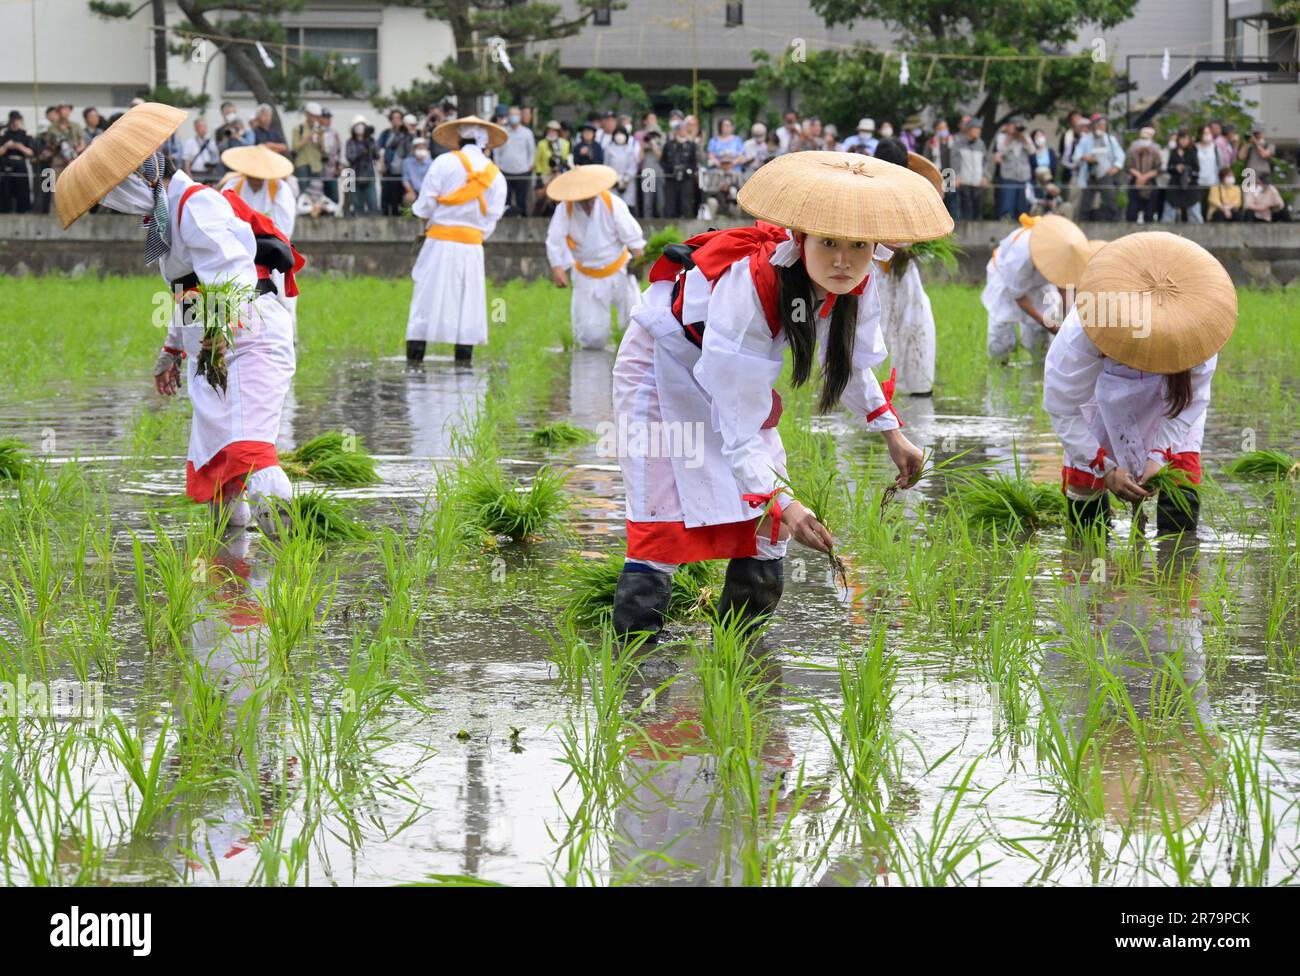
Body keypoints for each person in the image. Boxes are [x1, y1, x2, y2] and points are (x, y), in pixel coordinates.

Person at [609, 151, 947, 643]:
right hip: (662, 370)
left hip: (729, 377)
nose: (841, 259)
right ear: (800, 238)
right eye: (828, 242)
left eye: (857, 245)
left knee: (769, 532)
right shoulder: (752, 286)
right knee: (664, 518)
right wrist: (785, 502)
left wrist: (892, 435)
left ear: (875, 247)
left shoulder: (854, 281)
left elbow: (847, 361)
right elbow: (736, 415)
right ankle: (636, 672)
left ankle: (735, 656)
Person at [56, 102, 302, 535]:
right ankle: (233, 582)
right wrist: (171, 351)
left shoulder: (196, 203)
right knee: (220, 466)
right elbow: (188, 291)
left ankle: (293, 567)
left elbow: (233, 273)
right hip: (214, 347)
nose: (116, 205)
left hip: (248, 342)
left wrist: (218, 334)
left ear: (141, 178)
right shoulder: (166, 218)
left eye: (115, 193)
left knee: (249, 452)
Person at [1044, 232, 1235, 535]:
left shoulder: (1198, 329)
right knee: (1085, 515)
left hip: (1171, 406)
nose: (1145, 360)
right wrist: (1103, 466)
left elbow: (1194, 400)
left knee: (1179, 496)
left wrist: (1159, 455)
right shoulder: (1087, 326)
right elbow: (1062, 406)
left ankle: (1173, 575)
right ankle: (1092, 569)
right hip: (1100, 400)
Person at [405, 115, 507, 366]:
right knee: (468, 303)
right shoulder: (496, 175)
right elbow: (492, 219)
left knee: (425, 301)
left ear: (459, 139)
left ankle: (415, 363)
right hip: (472, 247)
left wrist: (428, 218)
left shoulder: (443, 162)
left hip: (439, 242)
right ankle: (463, 364)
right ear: (485, 144)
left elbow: (426, 204)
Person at [545, 164, 646, 350]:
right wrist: (557, 268)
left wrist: (640, 261)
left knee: (634, 328)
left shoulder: (612, 203)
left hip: (619, 269)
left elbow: (633, 237)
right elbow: (554, 239)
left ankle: (630, 362)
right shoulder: (564, 209)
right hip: (587, 274)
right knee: (592, 337)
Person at [870, 139, 942, 396]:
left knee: (915, 321)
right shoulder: (864, 192)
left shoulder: (911, 193)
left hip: (904, 273)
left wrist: (911, 249)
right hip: (872, 271)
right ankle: (866, 392)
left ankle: (918, 386)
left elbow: (925, 233)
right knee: (871, 324)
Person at [982, 213, 1089, 361]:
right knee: (1001, 329)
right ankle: (1000, 368)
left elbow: (1063, 285)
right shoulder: (1021, 256)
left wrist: (1070, 321)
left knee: (1041, 339)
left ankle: (1038, 370)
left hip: (1039, 283)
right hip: (1006, 280)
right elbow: (1019, 297)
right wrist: (1048, 325)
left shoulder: (1065, 252)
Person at [220, 144, 299, 330]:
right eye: (252, 175)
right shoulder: (233, 186)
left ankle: (289, 337)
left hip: (271, 252)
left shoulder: (280, 190)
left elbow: (285, 226)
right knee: (235, 294)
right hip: (238, 251)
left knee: (281, 297)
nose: (255, 180)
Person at [1074, 115, 1123, 221]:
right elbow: (1077, 155)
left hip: (1105, 174)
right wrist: (1085, 157)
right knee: (1085, 203)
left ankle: (1114, 223)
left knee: (1110, 200)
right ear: (1093, 126)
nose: (1101, 127)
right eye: (1099, 125)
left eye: (1103, 125)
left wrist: (1116, 167)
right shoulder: (1085, 139)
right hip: (1090, 174)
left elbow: (1120, 156)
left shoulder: (1110, 139)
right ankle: (1083, 223)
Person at [497, 105, 536, 217]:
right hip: (505, 171)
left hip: (522, 171)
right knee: (505, 201)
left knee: (521, 201)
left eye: (516, 114)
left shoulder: (527, 133)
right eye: (511, 114)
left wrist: (529, 165)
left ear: (520, 116)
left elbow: (532, 150)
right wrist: (498, 165)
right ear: (508, 116)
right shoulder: (503, 131)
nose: (514, 117)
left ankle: (523, 222)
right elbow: (497, 150)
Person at [993, 116, 1034, 219]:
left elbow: (1032, 151)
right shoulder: (1002, 137)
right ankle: (1005, 217)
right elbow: (1000, 152)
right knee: (1007, 200)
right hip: (1008, 174)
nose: (1016, 128)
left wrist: (1023, 138)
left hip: (1023, 175)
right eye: (1014, 125)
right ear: (1008, 126)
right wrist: (1010, 138)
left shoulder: (1025, 137)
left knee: (1021, 204)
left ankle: (1021, 220)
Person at [660, 119, 699, 219]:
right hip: (671, 178)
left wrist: (686, 170)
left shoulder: (691, 146)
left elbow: (694, 163)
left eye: (685, 129)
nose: (683, 132)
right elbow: (663, 161)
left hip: (686, 179)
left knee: (686, 203)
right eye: (681, 129)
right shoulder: (668, 145)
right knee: (670, 204)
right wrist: (671, 169)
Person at [953, 120, 990, 220]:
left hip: (978, 182)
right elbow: (954, 161)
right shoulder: (958, 142)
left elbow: (985, 162)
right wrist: (956, 176)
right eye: (976, 129)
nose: (978, 131)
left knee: (978, 211)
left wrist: (985, 176)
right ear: (968, 130)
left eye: (979, 129)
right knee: (966, 210)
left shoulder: (981, 144)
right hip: (964, 181)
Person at [1124, 125, 1162, 224]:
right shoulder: (1133, 147)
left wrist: (1145, 177)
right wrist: (1138, 176)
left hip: (1150, 182)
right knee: (1132, 211)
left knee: (1149, 212)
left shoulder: (1156, 148)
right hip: (1135, 181)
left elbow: (1158, 168)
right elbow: (1128, 166)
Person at [0, 111, 36, 213]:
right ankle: (5, 211)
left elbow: (31, 153)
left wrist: (20, 147)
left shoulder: (25, 135)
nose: (16, 122)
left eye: (18, 120)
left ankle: (23, 210)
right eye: (14, 120)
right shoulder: (4, 135)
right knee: (6, 190)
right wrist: (6, 146)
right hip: (6, 164)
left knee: (22, 190)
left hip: (20, 164)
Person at [378, 109, 412, 216]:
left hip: (402, 169)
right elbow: (381, 149)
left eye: (399, 118)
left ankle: (400, 215)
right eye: (394, 118)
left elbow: (409, 150)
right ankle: (386, 214)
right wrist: (381, 163)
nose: (397, 121)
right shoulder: (386, 133)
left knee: (400, 195)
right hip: (388, 168)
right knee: (387, 194)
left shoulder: (406, 134)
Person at [534, 120, 570, 215]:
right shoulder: (542, 144)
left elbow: (565, 159)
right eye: (550, 130)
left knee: (557, 197)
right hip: (544, 175)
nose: (552, 132)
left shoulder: (565, 143)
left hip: (559, 175)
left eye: (554, 130)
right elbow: (537, 160)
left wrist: (559, 169)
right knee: (542, 196)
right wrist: (539, 174)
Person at [1164, 130, 1201, 222]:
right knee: (1169, 213)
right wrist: (1176, 168)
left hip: (1190, 185)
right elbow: (1169, 168)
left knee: (1194, 212)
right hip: (1175, 185)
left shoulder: (1192, 152)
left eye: (1185, 138)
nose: (1183, 141)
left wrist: (1188, 172)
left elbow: (1196, 170)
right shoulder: (1174, 152)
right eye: (1181, 138)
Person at [345, 115, 379, 215]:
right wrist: (362, 151)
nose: (360, 127)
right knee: (357, 202)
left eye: (362, 125)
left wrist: (370, 146)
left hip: (369, 174)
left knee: (372, 201)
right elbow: (350, 157)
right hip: (355, 174)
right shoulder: (350, 142)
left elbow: (376, 155)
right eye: (357, 125)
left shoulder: (371, 141)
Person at [604, 125, 639, 213]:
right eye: (617, 134)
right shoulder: (608, 149)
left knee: (627, 209)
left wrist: (625, 180)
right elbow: (606, 166)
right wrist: (615, 180)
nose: (619, 136)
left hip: (627, 184)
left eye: (622, 134)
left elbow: (632, 167)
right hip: (612, 183)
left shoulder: (630, 150)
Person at [182, 118, 221, 183]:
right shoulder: (190, 142)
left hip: (208, 173)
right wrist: (188, 174)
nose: (204, 129)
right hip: (195, 173)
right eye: (201, 126)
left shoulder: (210, 142)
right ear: (196, 128)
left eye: (205, 126)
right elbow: (186, 160)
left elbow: (215, 156)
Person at [401, 137, 433, 208]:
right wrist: (411, 191)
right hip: (414, 190)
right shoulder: (407, 162)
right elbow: (405, 180)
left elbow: (433, 180)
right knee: (408, 198)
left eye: (423, 148)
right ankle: (409, 217)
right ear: (413, 150)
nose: (421, 150)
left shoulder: (431, 163)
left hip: (428, 191)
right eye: (419, 148)